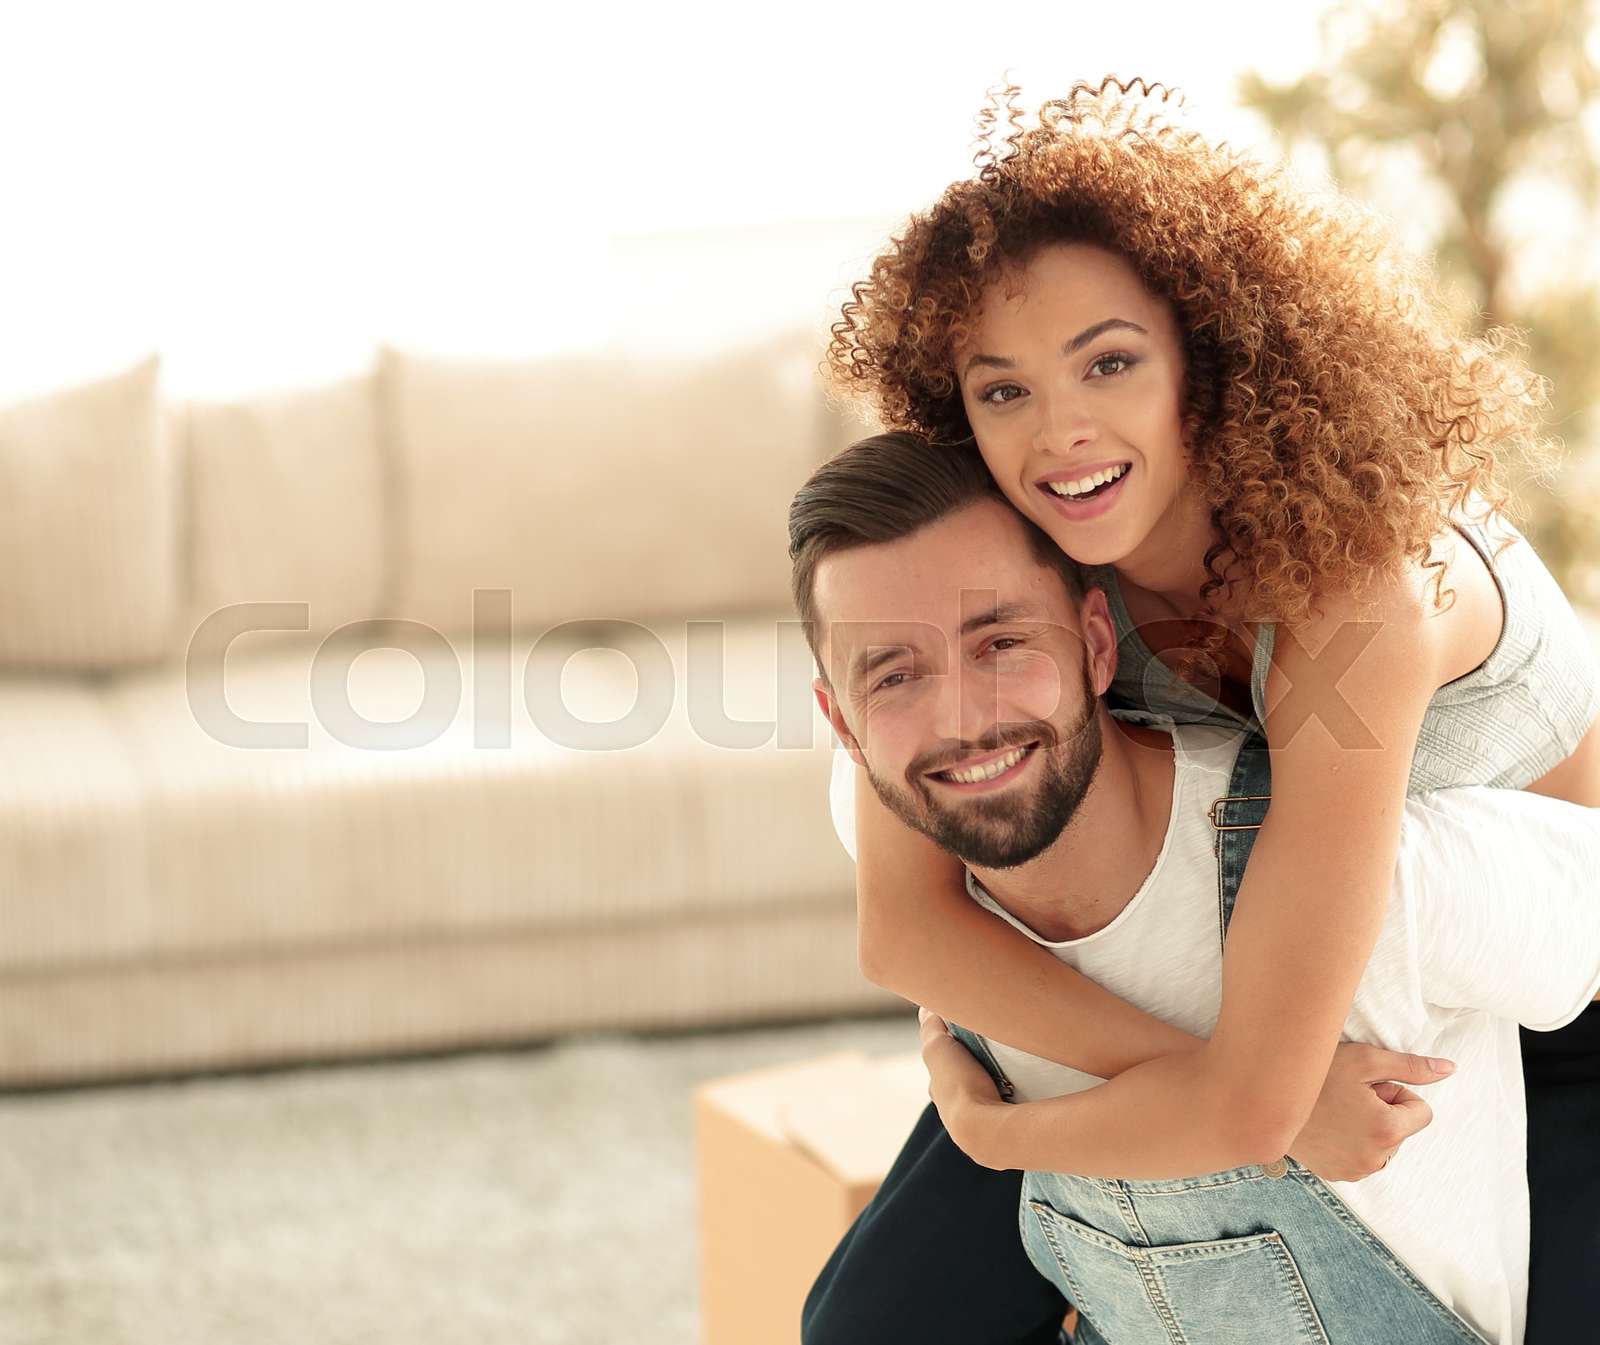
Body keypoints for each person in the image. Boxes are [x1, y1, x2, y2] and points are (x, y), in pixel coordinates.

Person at [813, 78, 1600, 1345]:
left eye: (1108, 363)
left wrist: (1000, 1130)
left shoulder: (1362, 591)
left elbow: (1248, 1109)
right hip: (1242, 994)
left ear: (1212, 357)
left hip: (1539, 1022)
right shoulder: (1031, 564)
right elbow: (905, 925)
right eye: (999, 389)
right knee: (872, 1324)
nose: (1059, 434)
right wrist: (1219, 1088)